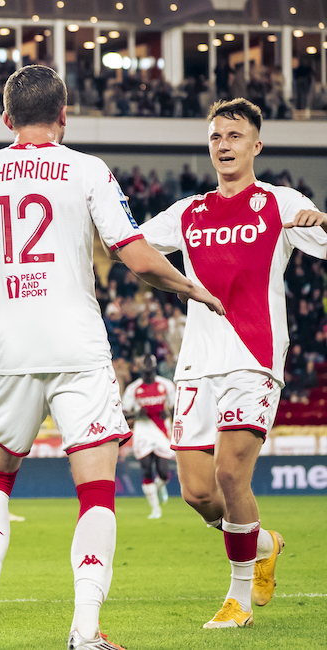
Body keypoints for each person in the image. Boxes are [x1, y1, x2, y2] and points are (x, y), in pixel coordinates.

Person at [0, 65, 224, 650]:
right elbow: (136, 258)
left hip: (9, 349)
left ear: (6, 119)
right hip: (78, 349)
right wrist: (193, 289)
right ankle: (85, 631)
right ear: (65, 115)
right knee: (96, 492)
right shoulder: (88, 170)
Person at [136, 98, 327, 629]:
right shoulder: (189, 212)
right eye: (217, 136)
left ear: (256, 145)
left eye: (235, 136)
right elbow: (132, 247)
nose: (224, 145)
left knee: (229, 472)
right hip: (197, 362)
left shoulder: (279, 202)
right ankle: (262, 541)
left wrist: (322, 219)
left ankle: (238, 598)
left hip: (254, 357)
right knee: (199, 492)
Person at [121, 354, 176, 519]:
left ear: (154, 367)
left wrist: (167, 412)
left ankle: (161, 485)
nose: (148, 371)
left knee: (164, 472)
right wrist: (137, 413)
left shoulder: (166, 385)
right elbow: (124, 412)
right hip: (143, 431)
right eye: (145, 368)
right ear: (141, 369)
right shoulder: (133, 388)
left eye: (150, 368)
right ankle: (155, 509)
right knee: (146, 469)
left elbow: (175, 408)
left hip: (161, 432)